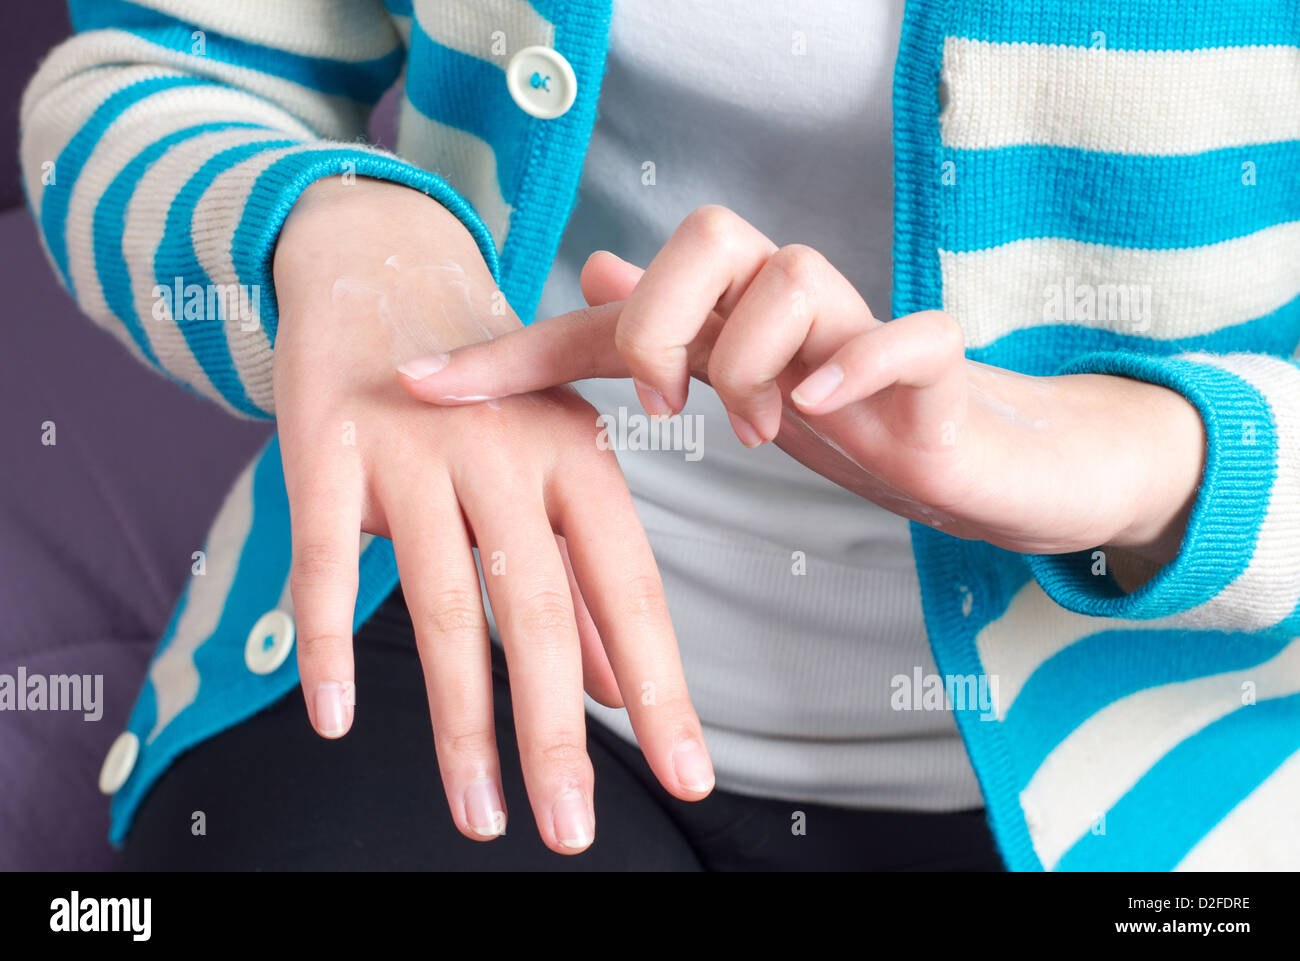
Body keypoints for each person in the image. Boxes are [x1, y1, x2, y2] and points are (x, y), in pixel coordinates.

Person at [20, 0, 1300, 870]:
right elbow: (155, 71)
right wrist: (334, 231)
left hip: (1184, 762)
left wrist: (1164, 464)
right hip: (448, 621)